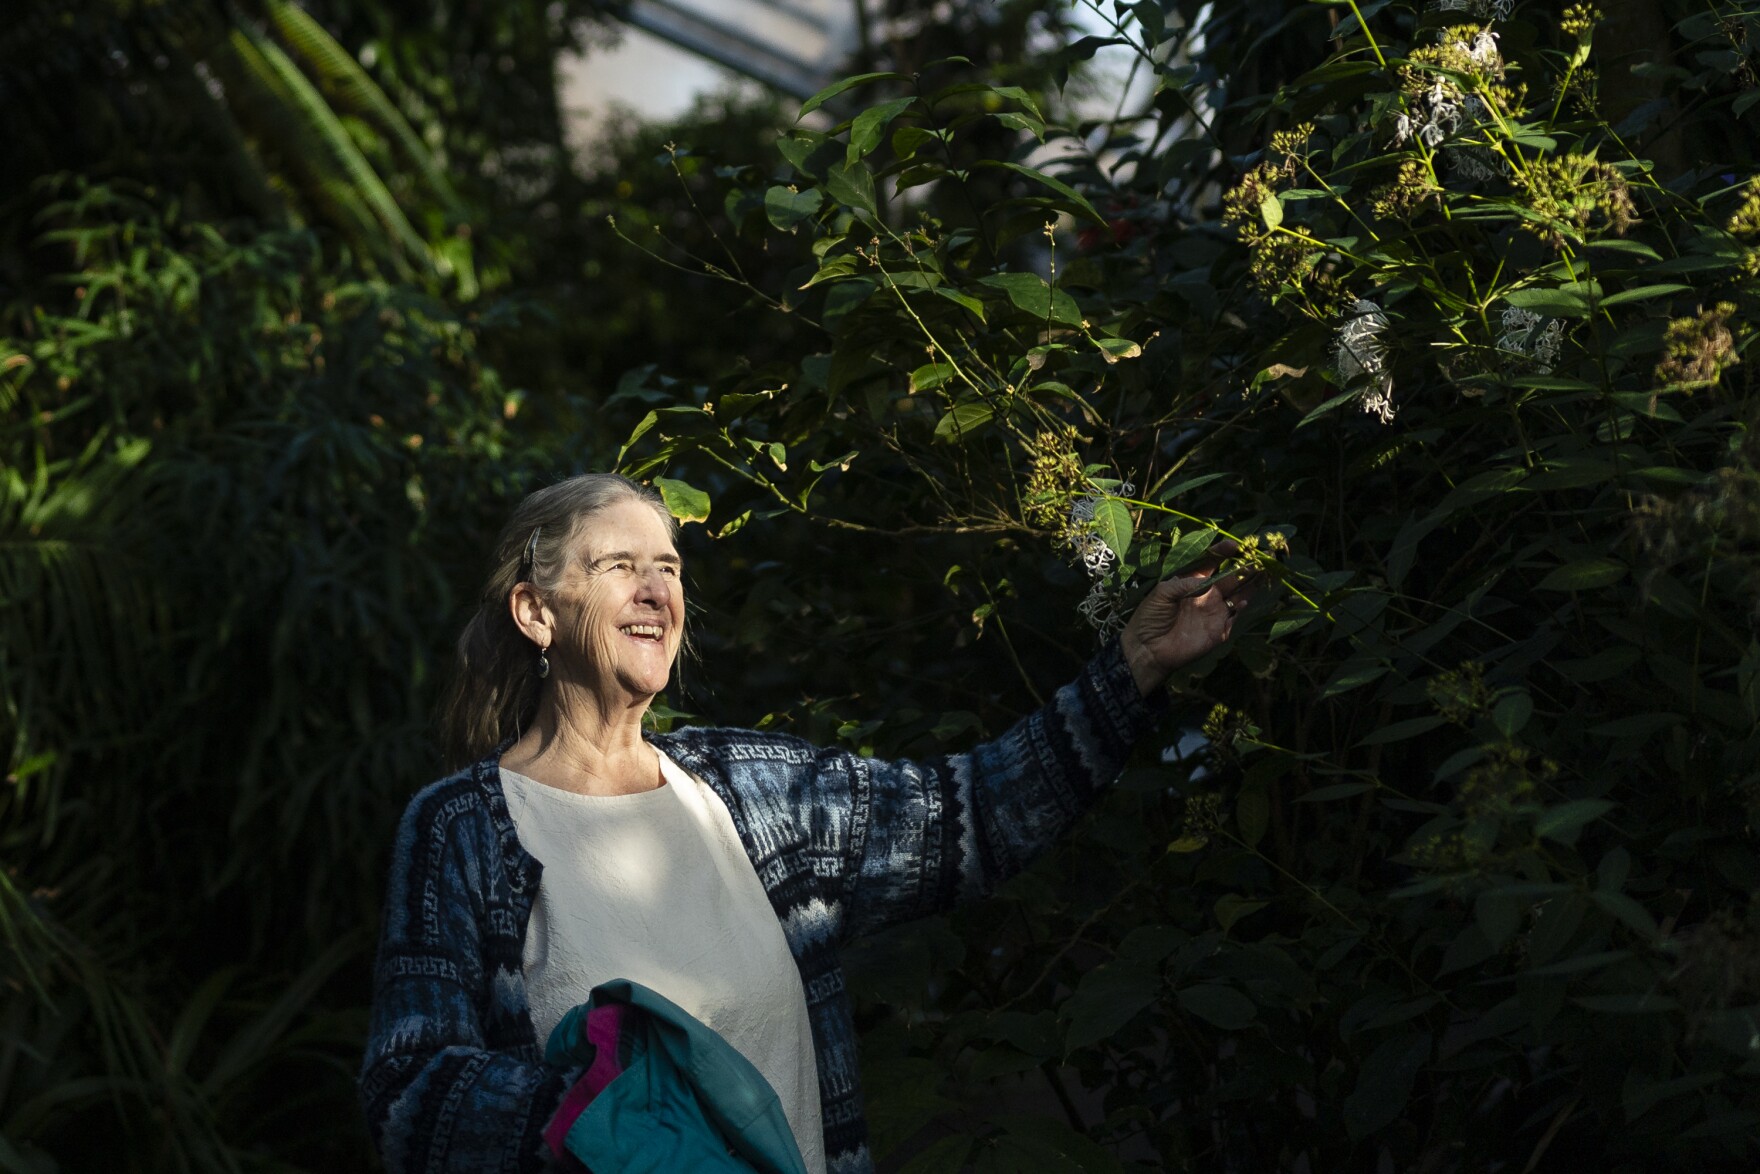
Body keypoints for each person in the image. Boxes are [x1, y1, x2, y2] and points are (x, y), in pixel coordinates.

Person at [360, 472, 1252, 1174]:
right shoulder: (465, 828)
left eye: (668, 567)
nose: (656, 590)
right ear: (535, 611)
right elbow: (409, 1098)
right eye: (618, 566)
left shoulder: (753, 793)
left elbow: (971, 814)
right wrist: (594, 1114)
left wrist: (1132, 668)